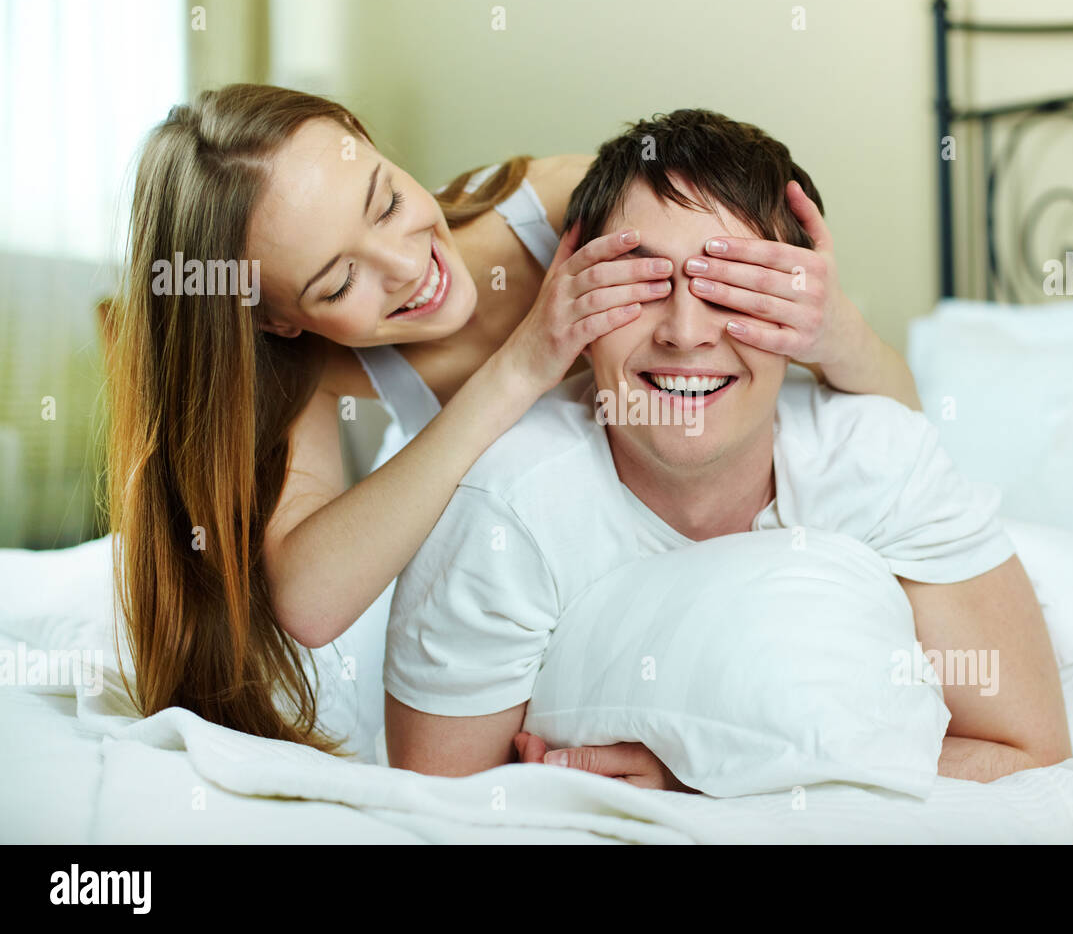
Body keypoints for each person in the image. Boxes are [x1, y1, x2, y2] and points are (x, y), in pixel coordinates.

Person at [105, 86, 923, 750]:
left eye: (386, 200)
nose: (403, 266)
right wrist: (521, 367)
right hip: (487, 617)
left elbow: (903, 430)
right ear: (278, 320)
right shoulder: (322, 370)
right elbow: (311, 605)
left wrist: (838, 331)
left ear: (373, 143)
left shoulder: (571, 210)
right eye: (335, 282)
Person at [384, 109, 1071, 787]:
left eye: (733, 287)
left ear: (804, 313)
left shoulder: (880, 460)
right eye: (642, 284)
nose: (686, 332)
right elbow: (451, 814)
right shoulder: (503, 512)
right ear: (574, 299)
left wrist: (710, 783)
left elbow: (1028, 753)